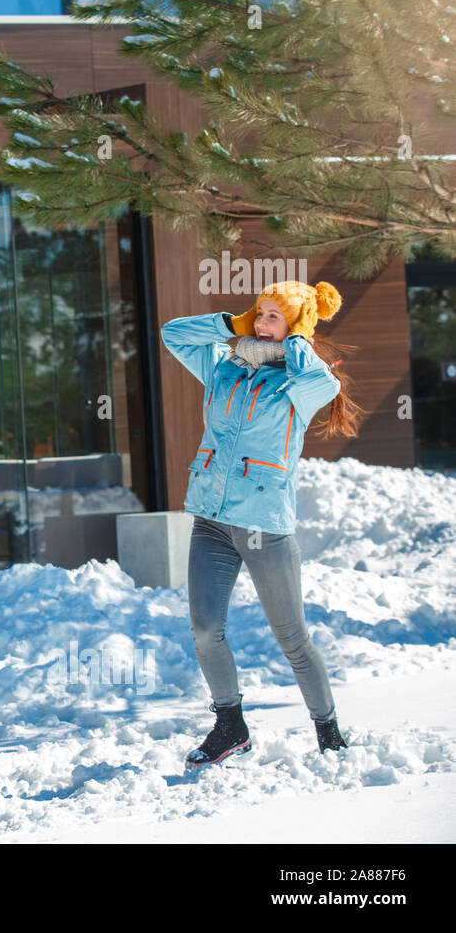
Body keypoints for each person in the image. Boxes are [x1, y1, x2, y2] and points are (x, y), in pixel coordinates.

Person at [161, 279, 364, 770]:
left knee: (292, 636)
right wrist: (230, 325)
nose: (262, 321)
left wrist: (296, 340)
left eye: (275, 315)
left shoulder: (298, 382)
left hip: (263, 525)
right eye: (260, 312)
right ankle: (230, 725)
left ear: (294, 326)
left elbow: (325, 384)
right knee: (206, 629)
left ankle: (328, 731)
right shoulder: (223, 367)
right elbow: (172, 334)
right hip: (212, 520)